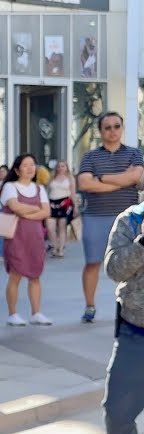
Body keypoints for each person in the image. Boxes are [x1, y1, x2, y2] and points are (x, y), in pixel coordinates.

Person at [77, 111, 144, 323]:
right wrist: (123, 180)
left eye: (117, 126)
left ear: (122, 129)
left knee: (132, 263)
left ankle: (130, 305)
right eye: (107, 127)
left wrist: (102, 178)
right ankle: (89, 306)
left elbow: (135, 176)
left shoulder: (134, 154)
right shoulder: (90, 157)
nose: (112, 131)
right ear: (100, 131)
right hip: (96, 216)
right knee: (92, 263)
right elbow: (84, 183)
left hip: (128, 220)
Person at [99, 200, 144, 434]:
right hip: (135, 331)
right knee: (117, 409)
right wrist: (142, 243)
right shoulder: (132, 220)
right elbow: (115, 269)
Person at [0, 155, 52, 327]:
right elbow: (15, 207)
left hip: (35, 237)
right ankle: (12, 314)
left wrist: (27, 213)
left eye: (32, 164)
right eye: (25, 165)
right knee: (15, 274)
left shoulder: (39, 188)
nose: (30, 168)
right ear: (17, 170)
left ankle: (36, 313)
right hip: (16, 237)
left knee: (35, 275)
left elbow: (46, 212)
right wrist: (36, 208)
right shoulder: (10, 187)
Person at [46, 160, 75, 258]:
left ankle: (61, 249)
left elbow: (73, 193)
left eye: (63, 166)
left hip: (65, 203)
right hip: (52, 202)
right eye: (59, 166)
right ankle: (55, 246)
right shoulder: (52, 177)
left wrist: (75, 207)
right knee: (50, 227)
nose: (60, 168)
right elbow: (47, 190)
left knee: (62, 227)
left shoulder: (70, 178)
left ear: (66, 168)